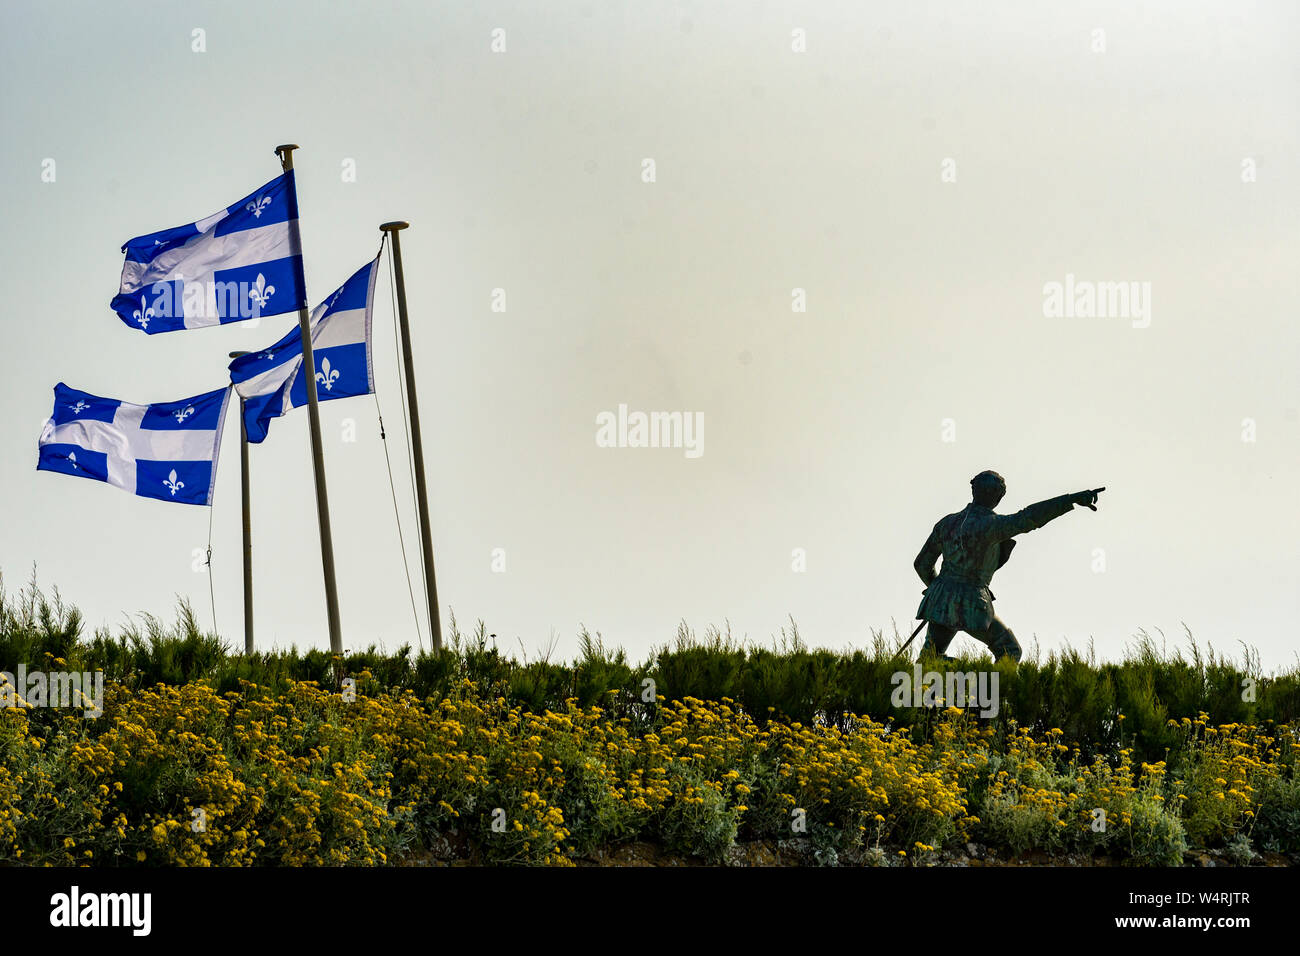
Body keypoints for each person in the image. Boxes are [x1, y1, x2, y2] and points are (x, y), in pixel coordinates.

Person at [912, 471, 1104, 662]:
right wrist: (1071, 499)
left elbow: (922, 564)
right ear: (998, 496)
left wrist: (937, 589)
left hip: (940, 599)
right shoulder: (993, 525)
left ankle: (935, 682)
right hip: (972, 600)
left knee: (930, 658)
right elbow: (1030, 518)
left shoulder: (946, 523)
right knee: (1010, 651)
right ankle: (991, 691)